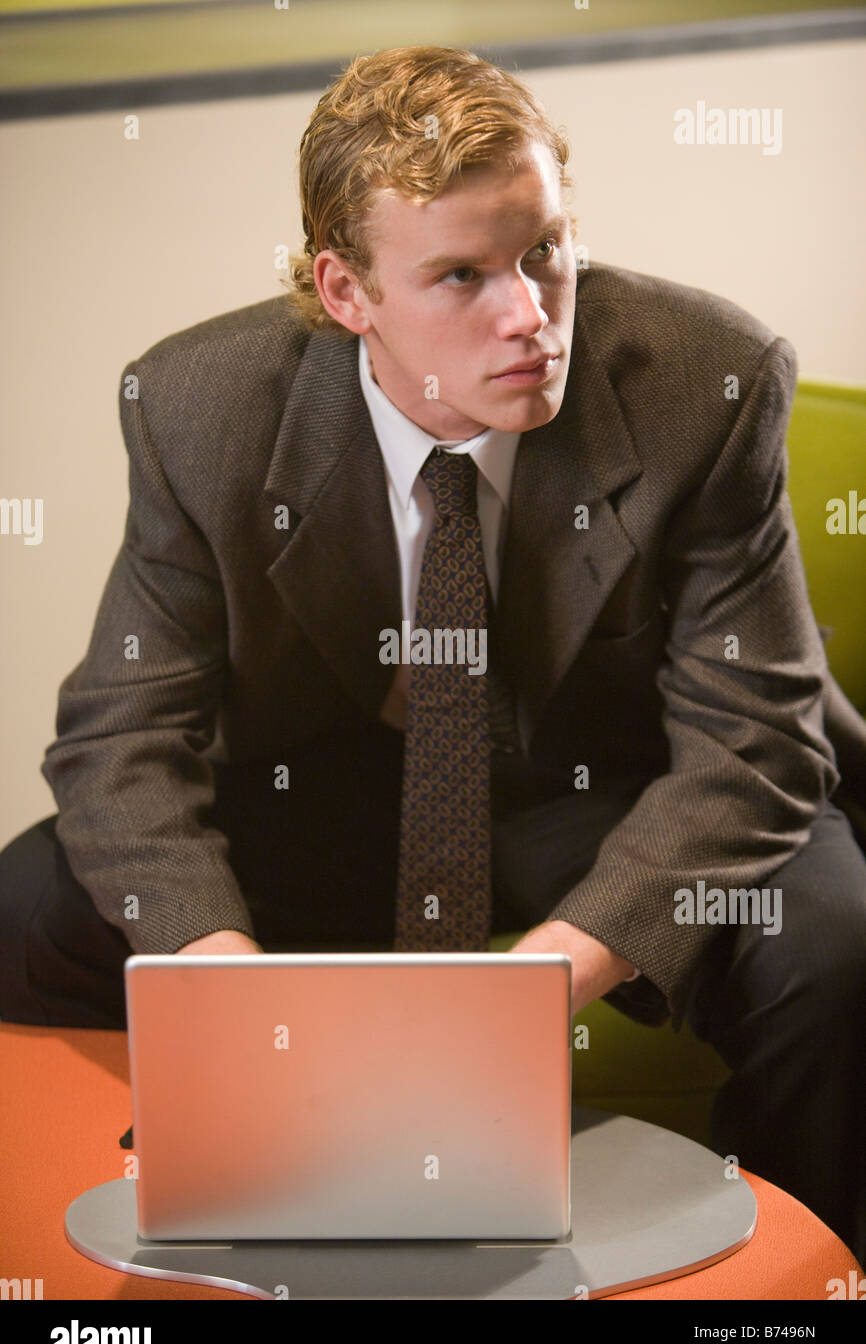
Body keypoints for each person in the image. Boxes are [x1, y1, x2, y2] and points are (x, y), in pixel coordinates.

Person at [1, 45, 864, 1266]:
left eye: (542, 251)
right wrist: (224, 990)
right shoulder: (199, 406)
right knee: (29, 906)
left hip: (616, 787)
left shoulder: (703, 382)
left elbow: (756, 741)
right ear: (345, 291)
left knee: (834, 945)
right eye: (460, 274)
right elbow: (118, 739)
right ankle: (147, 1233)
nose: (526, 313)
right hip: (341, 788)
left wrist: (524, 1001)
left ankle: (781, 1280)